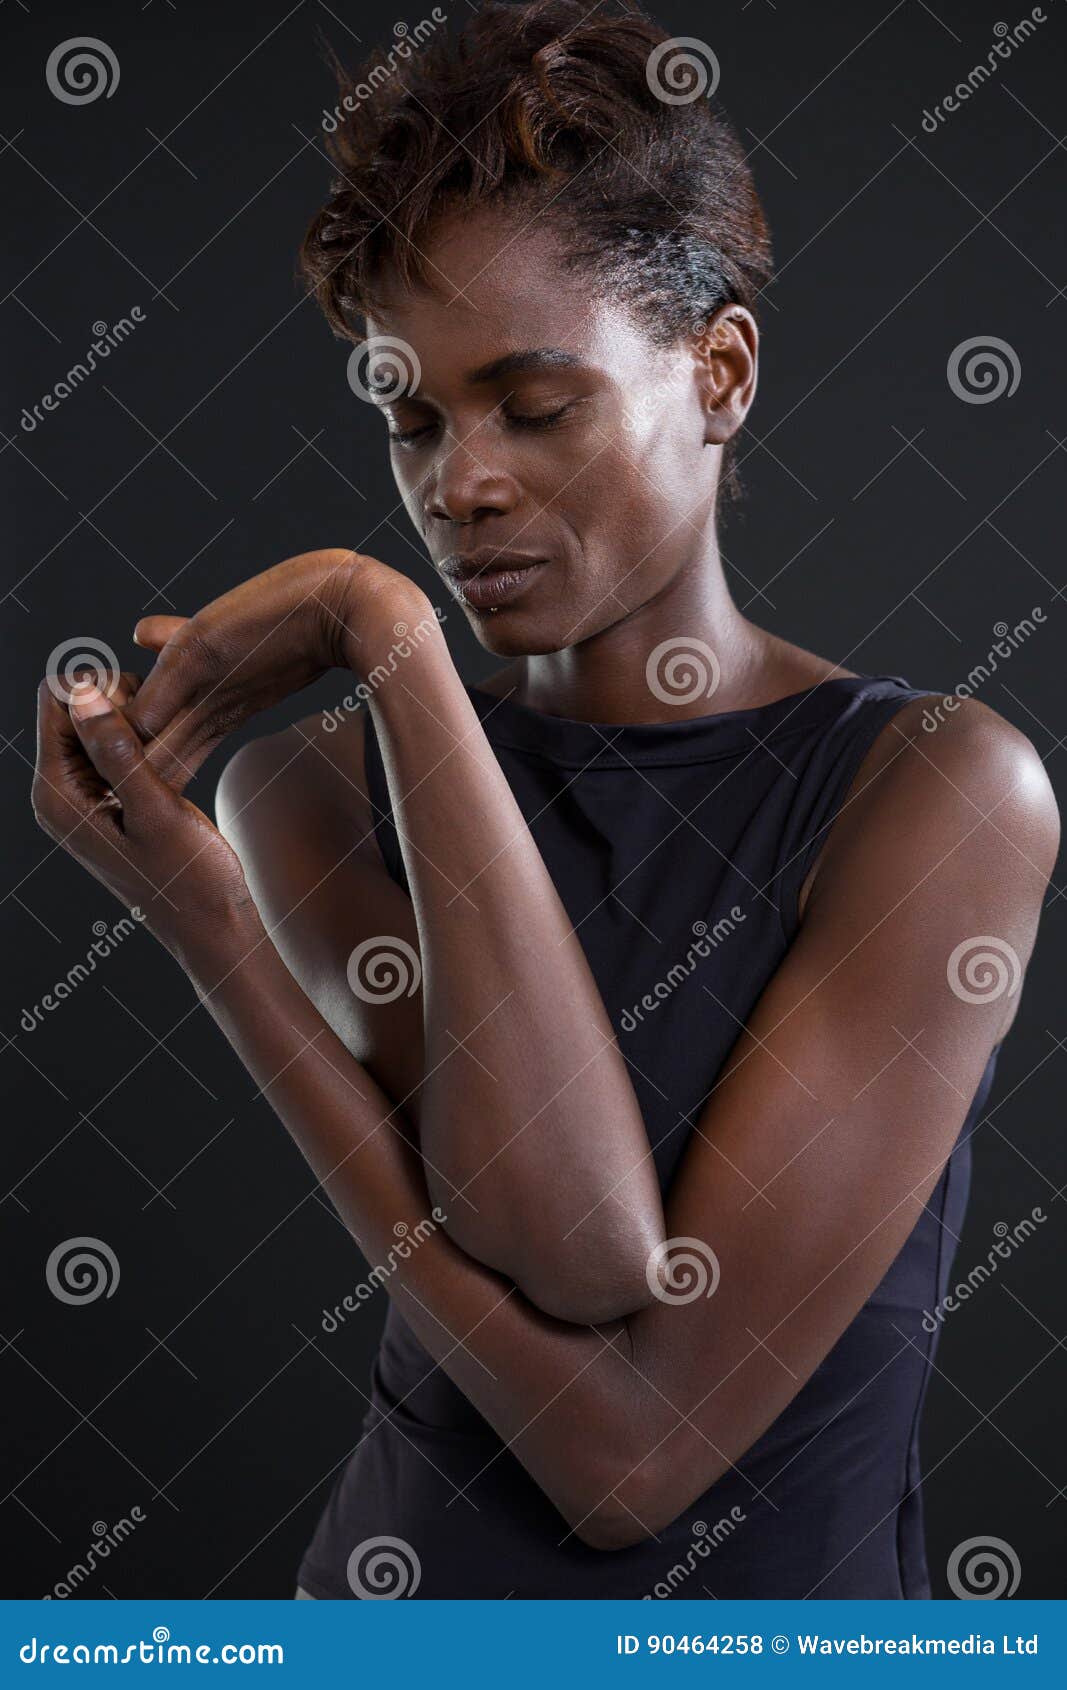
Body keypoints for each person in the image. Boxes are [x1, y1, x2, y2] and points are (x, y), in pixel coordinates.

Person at [32, 0, 1058, 1599]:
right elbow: (563, 1233)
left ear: (719, 372)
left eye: (535, 402)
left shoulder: (937, 790)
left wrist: (373, 632)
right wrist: (236, 901)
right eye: (413, 419)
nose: (461, 483)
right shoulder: (309, 789)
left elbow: (629, 1448)